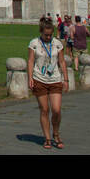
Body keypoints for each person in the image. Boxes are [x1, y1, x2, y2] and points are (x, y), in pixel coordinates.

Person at [27, 17, 65, 149]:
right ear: (41, 32)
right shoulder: (34, 43)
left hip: (55, 79)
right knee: (44, 109)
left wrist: (66, 79)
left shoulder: (57, 44)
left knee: (56, 110)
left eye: (50, 35)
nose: (48, 37)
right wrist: (30, 77)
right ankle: (47, 138)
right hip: (39, 79)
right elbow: (31, 61)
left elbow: (62, 61)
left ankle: (56, 133)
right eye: (46, 35)